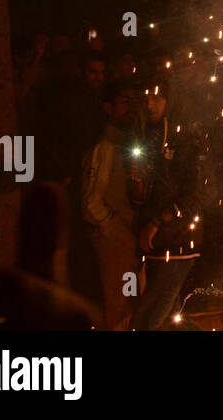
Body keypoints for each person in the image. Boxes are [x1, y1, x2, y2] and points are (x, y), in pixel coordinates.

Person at [129, 84, 210, 330]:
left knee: (147, 320)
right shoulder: (146, 136)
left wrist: (157, 221)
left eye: (156, 98)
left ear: (170, 101)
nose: (149, 105)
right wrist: (138, 184)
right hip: (155, 245)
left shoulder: (186, 138)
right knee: (171, 320)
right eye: (145, 98)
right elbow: (145, 197)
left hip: (178, 243)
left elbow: (195, 195)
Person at [80, 80, 141, 329]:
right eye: (125, 102)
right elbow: (90, 200)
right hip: (115, 242)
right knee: (118, 306)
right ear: (109, 107)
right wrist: (111, 226)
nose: (131, 108)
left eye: (134, 102)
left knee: (132, 305)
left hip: (132, 240)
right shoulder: (104, 149)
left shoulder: (129, 145)